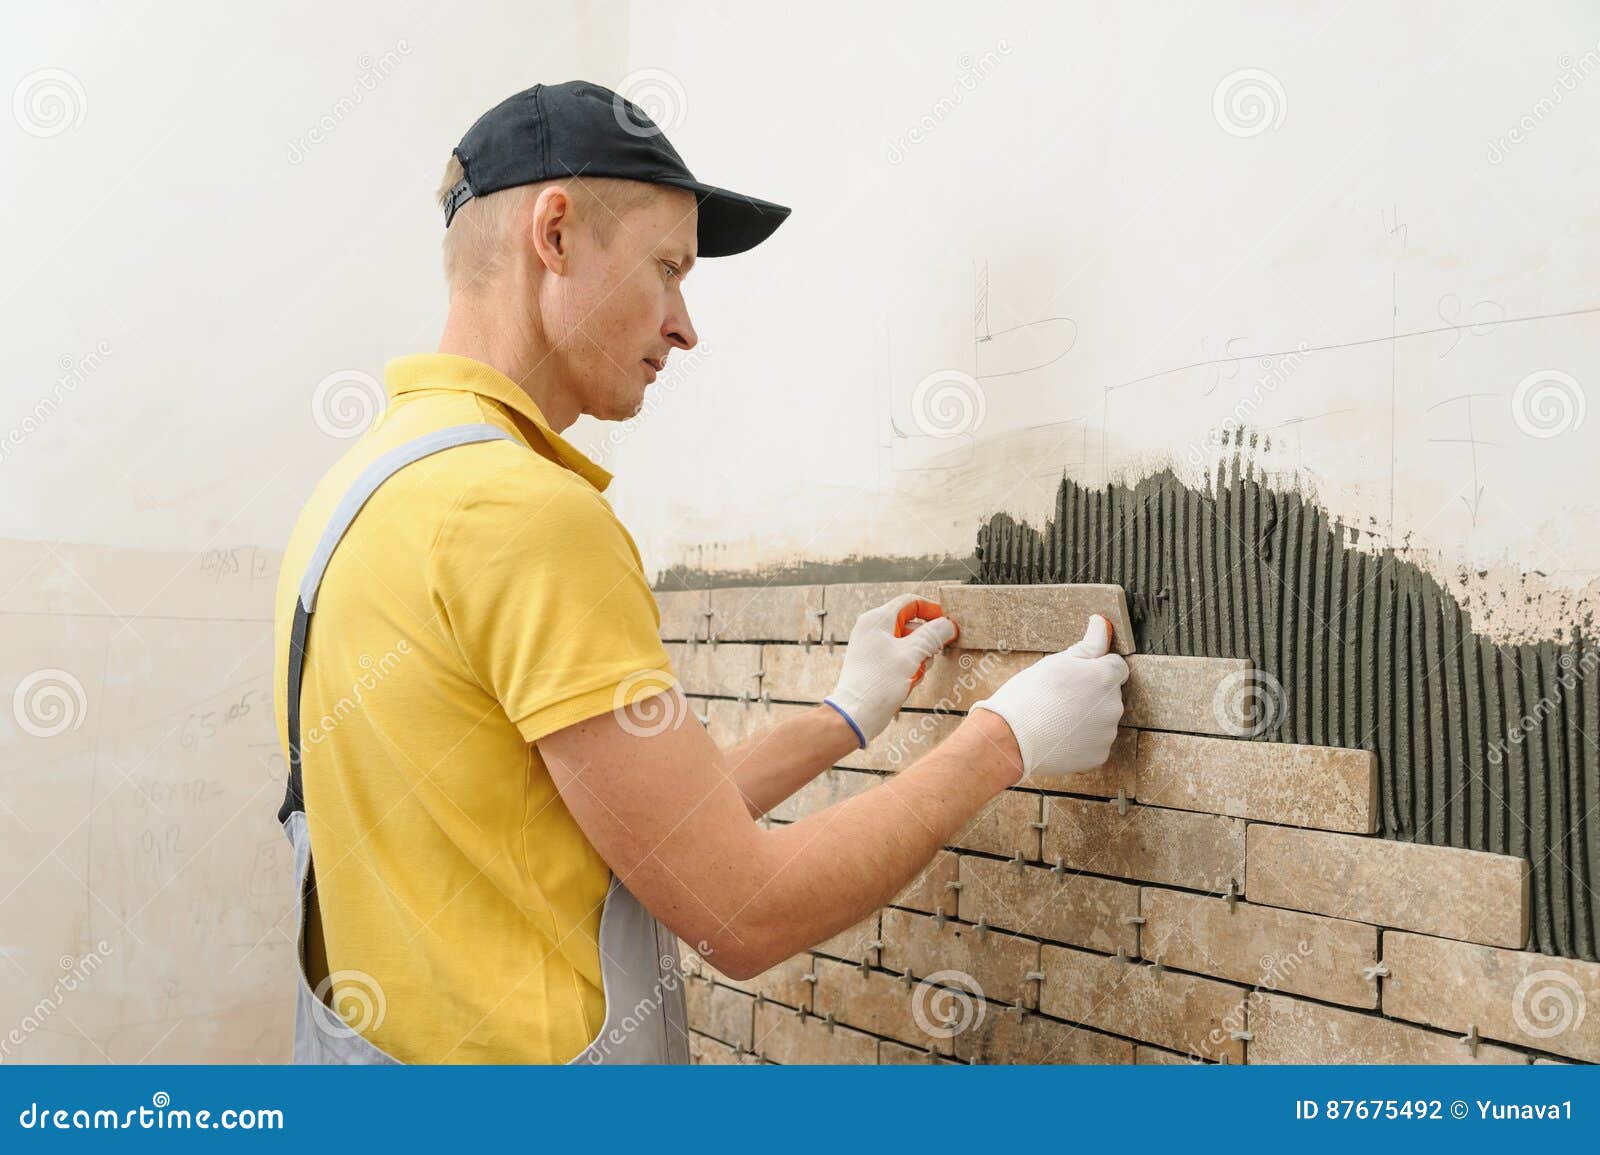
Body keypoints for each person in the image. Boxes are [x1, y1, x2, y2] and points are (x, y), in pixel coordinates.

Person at [272, 80, 1128, 1065]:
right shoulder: (519, 514)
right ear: (554, 235)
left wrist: (844, 717)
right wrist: (1001, 743)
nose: (684, 325)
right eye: (667, 268)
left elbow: (621, 827)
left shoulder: (354, 497)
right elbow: (743, 912)